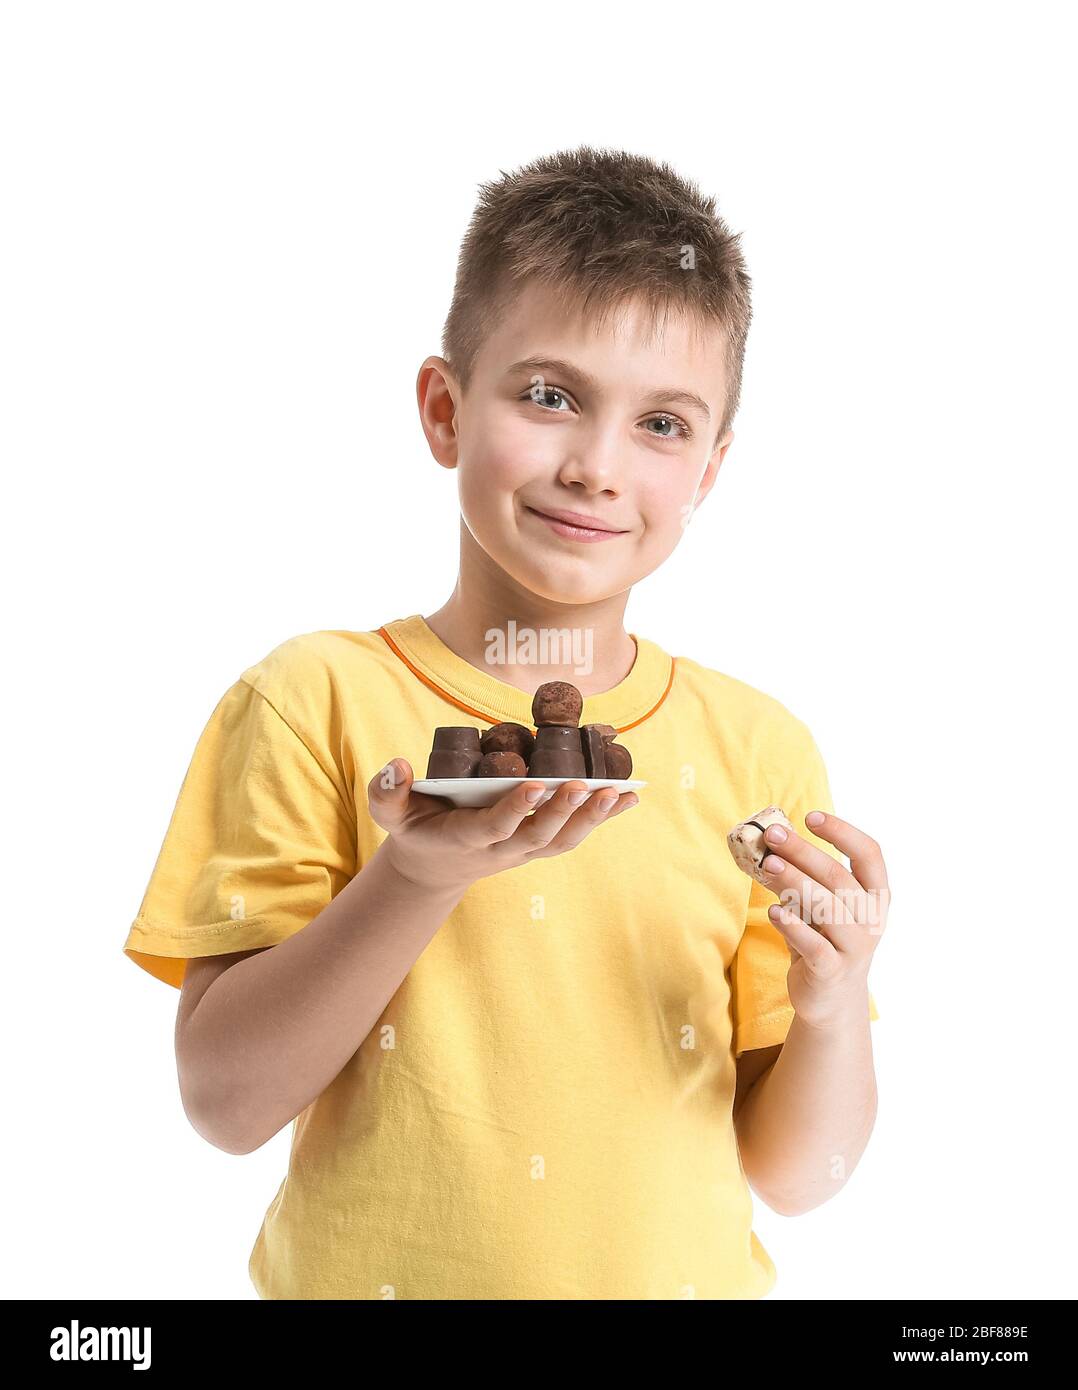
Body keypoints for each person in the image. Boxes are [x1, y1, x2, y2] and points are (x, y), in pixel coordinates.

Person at [123, 144, 886, 1300]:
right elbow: (224, 1105)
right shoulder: (310, 700)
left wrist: (832, 1006)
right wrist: (413, 879)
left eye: (662, 426)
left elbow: (795, 1172)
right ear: (443, 409)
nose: (595, 467)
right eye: (548, 396)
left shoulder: (757, 749)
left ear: (711, 472)